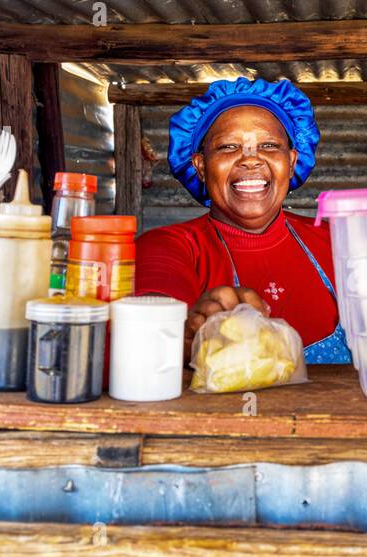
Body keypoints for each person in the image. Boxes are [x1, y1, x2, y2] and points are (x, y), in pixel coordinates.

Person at [134, 77, 350, 363]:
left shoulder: (339, 241)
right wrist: (189, 333)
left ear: (292, 161)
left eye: (270, 145)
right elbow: (153, 321)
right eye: (228, 147)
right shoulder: (168, 247)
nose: (251, 159)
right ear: (200, 166)